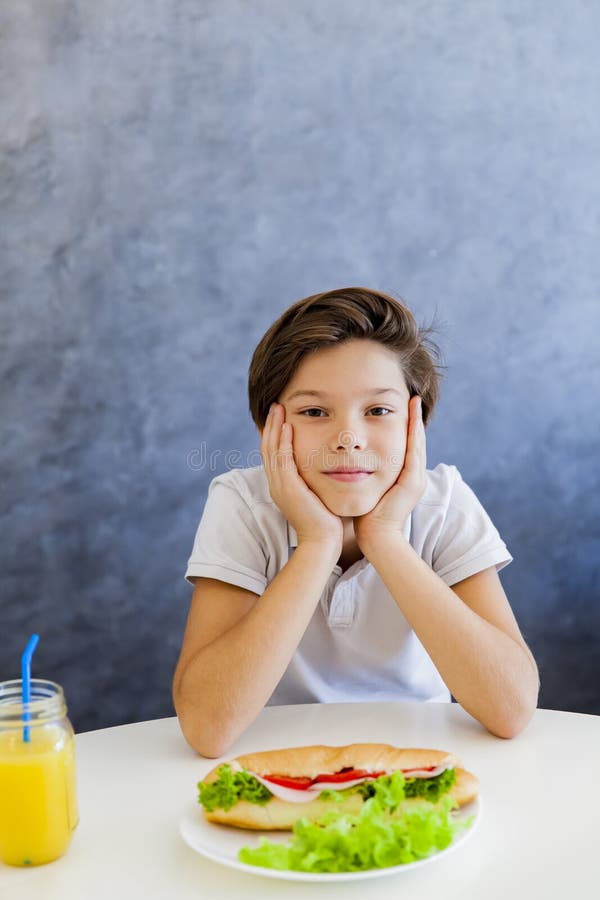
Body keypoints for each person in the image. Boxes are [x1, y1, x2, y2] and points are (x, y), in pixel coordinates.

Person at [173, 287, 539, 757]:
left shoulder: (445, 503)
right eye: (314, 411)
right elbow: (207, 728)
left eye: (379, 411)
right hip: (280, 760)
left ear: (416, 424)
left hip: (422, 758)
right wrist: (317, 542)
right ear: (270, 428)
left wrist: (384, 537)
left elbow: (510, 709)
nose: (348, 438)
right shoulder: (243, 504)